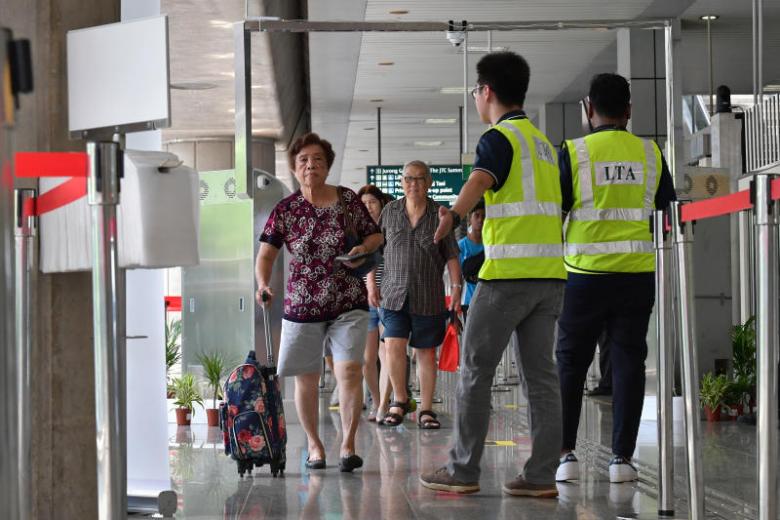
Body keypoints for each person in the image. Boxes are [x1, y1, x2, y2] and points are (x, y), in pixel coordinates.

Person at [419, 51, 566, 498]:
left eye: (475, 91)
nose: (476, 98)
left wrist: (452, 216)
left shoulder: (499, 138)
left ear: (486, 91)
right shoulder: (544, 144)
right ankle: (541, 476)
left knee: (475, 371)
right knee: (541, 378)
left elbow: (480, 181)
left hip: (507, 277)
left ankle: (463, 470)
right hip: (549, 277)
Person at [554, 73, 676, 484]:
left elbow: (557, 212)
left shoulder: (574, 152)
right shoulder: (650, 152)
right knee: (628, 363)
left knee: (571, 363)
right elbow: (668, 211)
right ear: (629, 110)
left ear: (589, 108)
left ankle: (565, 455)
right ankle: (622, 459)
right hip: (636, 275)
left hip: (583, 276)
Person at [255, 132, 383, 473]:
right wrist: (263, 284)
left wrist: (364, 248)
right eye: (303, 160)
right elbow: (266, 254)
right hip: (303, 305)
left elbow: (375, 234)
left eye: (318, 160)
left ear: (327, 166)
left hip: (348, 299)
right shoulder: (286, 210)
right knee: (306, 377)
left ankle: (348, 444)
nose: (310, 165)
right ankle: (314, 445)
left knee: (350, 370)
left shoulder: (347, 199)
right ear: (294, 168)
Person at [370, 160, 461, 429]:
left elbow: (452, 256)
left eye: (420, 178)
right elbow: (375, 250)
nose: (414, 184)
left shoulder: (440, 214)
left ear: (429, 182)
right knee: (393, 345)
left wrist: (457, 289)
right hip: (393, 294)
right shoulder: (390, 211)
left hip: (428, 295)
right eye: (409, 178)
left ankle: (426, 409)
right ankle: (399, 400)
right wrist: (371, 284)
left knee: (425, 352)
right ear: (401, 182)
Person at [357, 184, 391, 421]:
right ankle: (377, 401)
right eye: (364, 203)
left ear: (381, 204)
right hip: (364, 300)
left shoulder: (390, 228)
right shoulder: (356, 233)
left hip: (389, 297)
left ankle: (385, 404)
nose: (368, 207)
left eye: (372, 202)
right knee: (367, 358)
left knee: (387, 352)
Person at [458, 200, 485, 322]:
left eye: (484, 216)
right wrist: (454, 311)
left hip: (489, 303)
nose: (480, 220)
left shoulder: (492, 246)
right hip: (468, 302)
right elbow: (457, 279)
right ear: (470, 219)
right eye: (477, 216)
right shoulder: (461, 247)